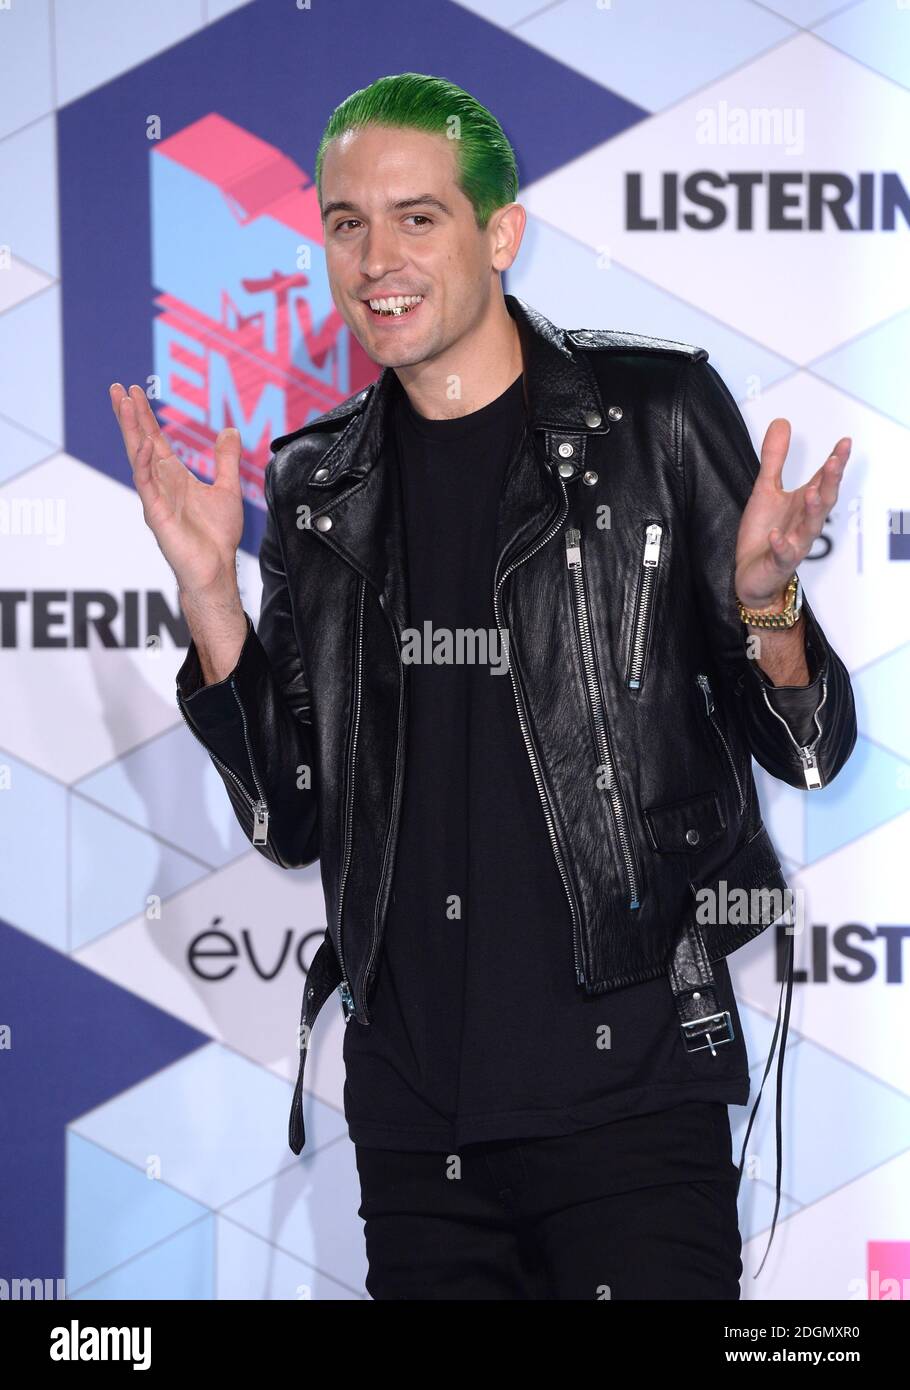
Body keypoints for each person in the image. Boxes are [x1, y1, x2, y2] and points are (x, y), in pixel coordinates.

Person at [109, 72, 856, 1300]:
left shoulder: (655, 416)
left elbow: (812, 748)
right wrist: (211, 605)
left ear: (499, 234)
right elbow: (295, 814)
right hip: (417, 1127)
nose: (376, 257)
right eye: (346, 221)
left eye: (418, 217)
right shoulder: (316, 484)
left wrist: (768, 605)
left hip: (630, 1104)